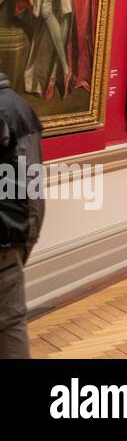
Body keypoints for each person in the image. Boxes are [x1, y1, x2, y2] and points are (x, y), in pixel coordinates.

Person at [0, 68, 44, 359]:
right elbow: (33, 192)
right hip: (10, 239)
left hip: (5, 238)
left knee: (10, 326)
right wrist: (26, 240)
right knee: (9, 325)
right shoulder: (18, 107)